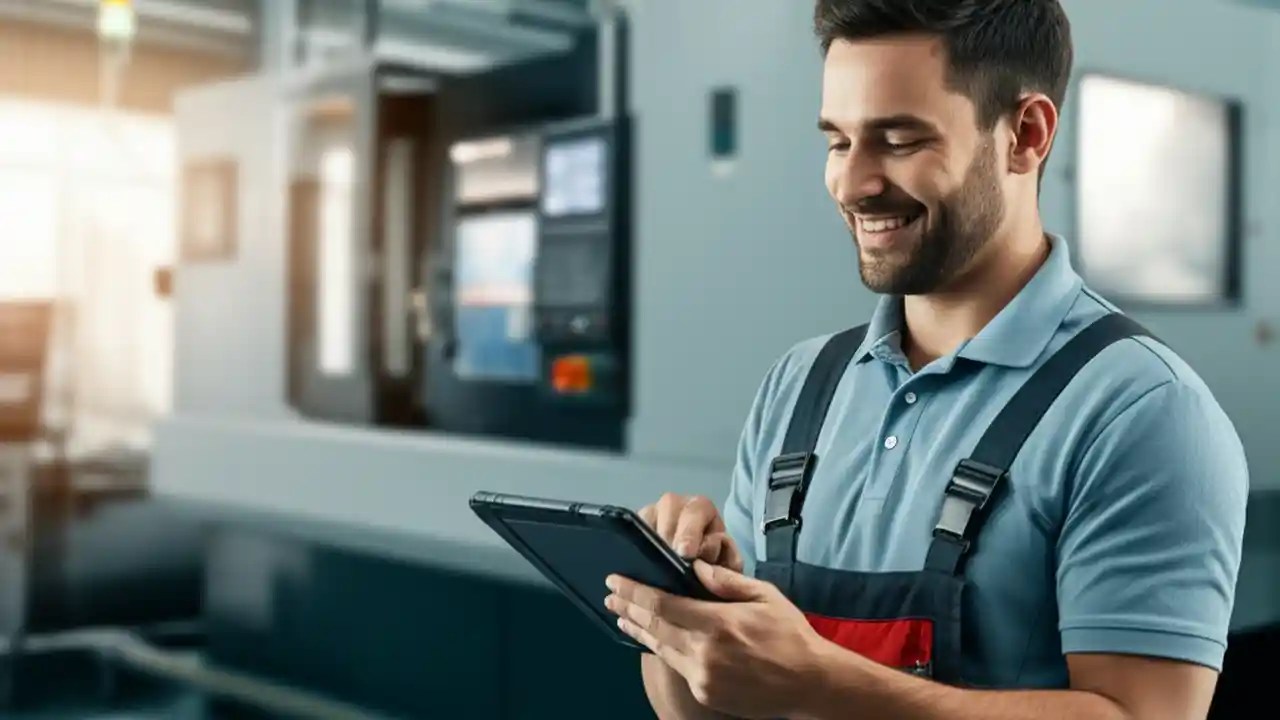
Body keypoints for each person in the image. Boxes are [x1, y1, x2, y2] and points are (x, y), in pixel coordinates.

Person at [602, 1, 1250, 719]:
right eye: (838, 142)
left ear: (1026, 135)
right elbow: (697, 712)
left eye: (900, 139)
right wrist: (683, 615)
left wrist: (822, 683)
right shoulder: (799, 387)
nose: (853, 184)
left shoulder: (1141, 413)